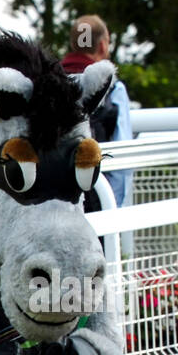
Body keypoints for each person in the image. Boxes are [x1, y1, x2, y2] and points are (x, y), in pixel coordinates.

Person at [62, 14, 133, 209]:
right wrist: (114, 207)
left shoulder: (50, 81)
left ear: (74, 44)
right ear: (102, 45)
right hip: (97, 195)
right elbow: (123, 154)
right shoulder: (113, 88)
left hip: (54, 197)